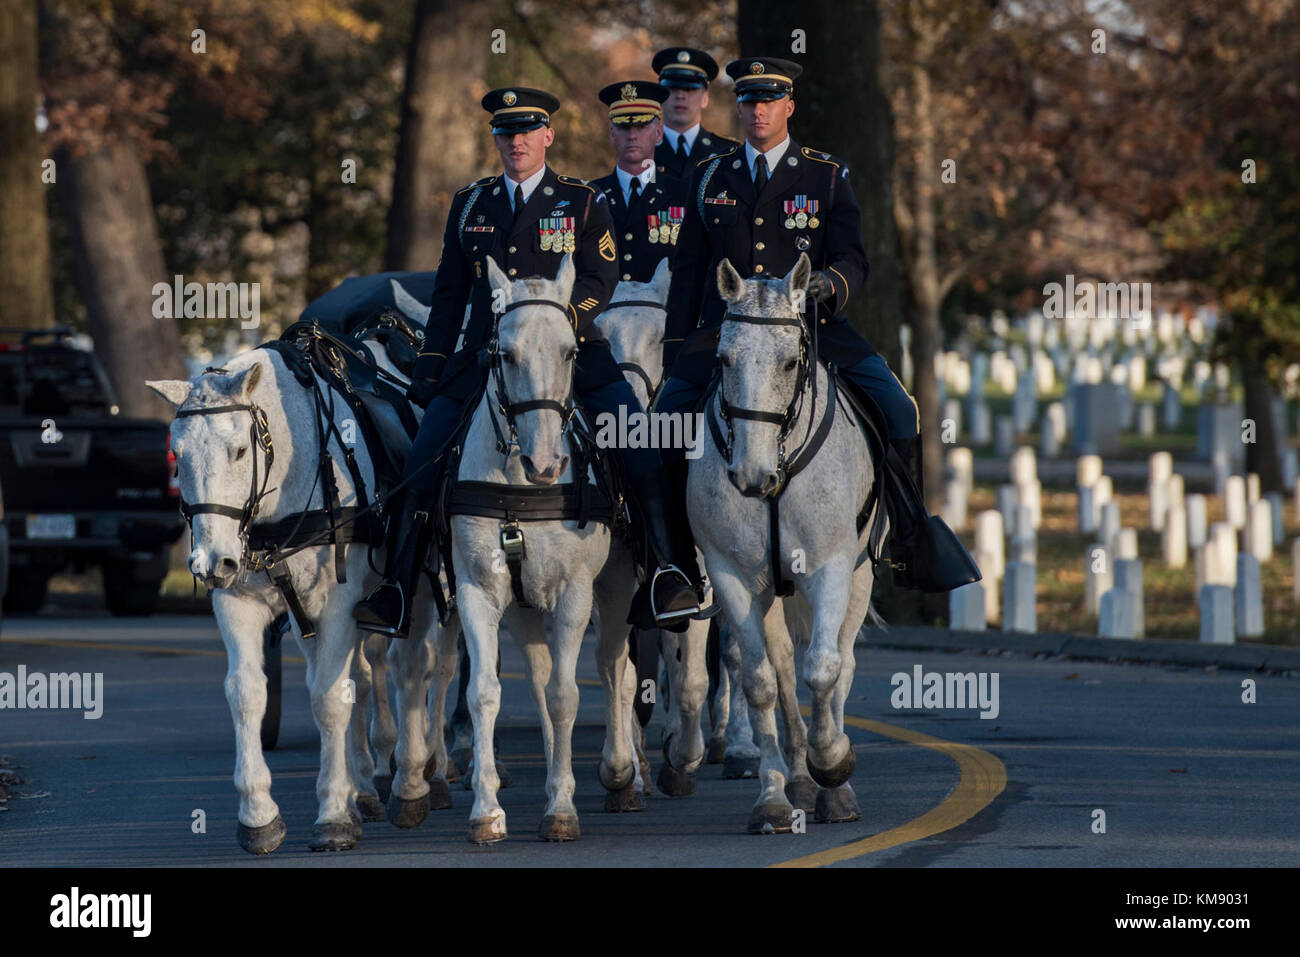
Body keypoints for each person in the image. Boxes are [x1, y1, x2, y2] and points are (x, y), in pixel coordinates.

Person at [353, 87, 699, 639]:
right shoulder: (470, 203)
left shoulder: (581, 200)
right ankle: (396, 588)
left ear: (547, 137)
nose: (516, 142)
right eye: (505, 133)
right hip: (487, 353)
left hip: (571, 349)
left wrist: (557, 316)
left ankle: (665, 571)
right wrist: (431, 371)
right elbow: (448, 295)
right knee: (421, 458)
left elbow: (599, 280)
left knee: (638, 440)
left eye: (526, 132)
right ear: (496, 140)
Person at [654, 57, 962, 592]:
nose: (757, 111)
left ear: (788, 107)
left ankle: (907, 541)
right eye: (748, 101)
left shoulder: (825, 174)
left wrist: (832, 283)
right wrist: (675, 356)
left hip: (812, 327)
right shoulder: (709, 177)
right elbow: (686, 273)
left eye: (768, 100)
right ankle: (675, 567)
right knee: (659, 430)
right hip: (727, 331)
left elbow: (854, 258)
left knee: (899, 409)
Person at [590, 80, 691, 284]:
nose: (632, 136)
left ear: (659, 133)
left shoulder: (683, 195)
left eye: (642, 126)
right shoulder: (590, 196)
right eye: (624, 126)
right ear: (612, 134)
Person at [651, 47, 738, 182]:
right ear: (660, 97)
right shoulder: (642, 150)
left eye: (689, 89)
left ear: (705, 98)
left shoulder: (727, 152)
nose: (680, 96)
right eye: (673, 88)